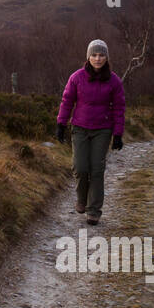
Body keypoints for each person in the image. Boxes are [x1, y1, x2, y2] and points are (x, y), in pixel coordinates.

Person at [55, 39, 126, 225]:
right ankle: (81, 198)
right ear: (88, 57)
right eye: (94, 55)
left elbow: (119, 108)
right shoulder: (76, 77)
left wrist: (118, 134)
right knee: (80, 167)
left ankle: (94, 210)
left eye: (101, 55)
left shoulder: (114, 80)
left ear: (106, 57)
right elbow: (67, 101)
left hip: (102, 130)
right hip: (79, 128)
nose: (97, 58)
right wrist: (61, 124)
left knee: (96, 169)